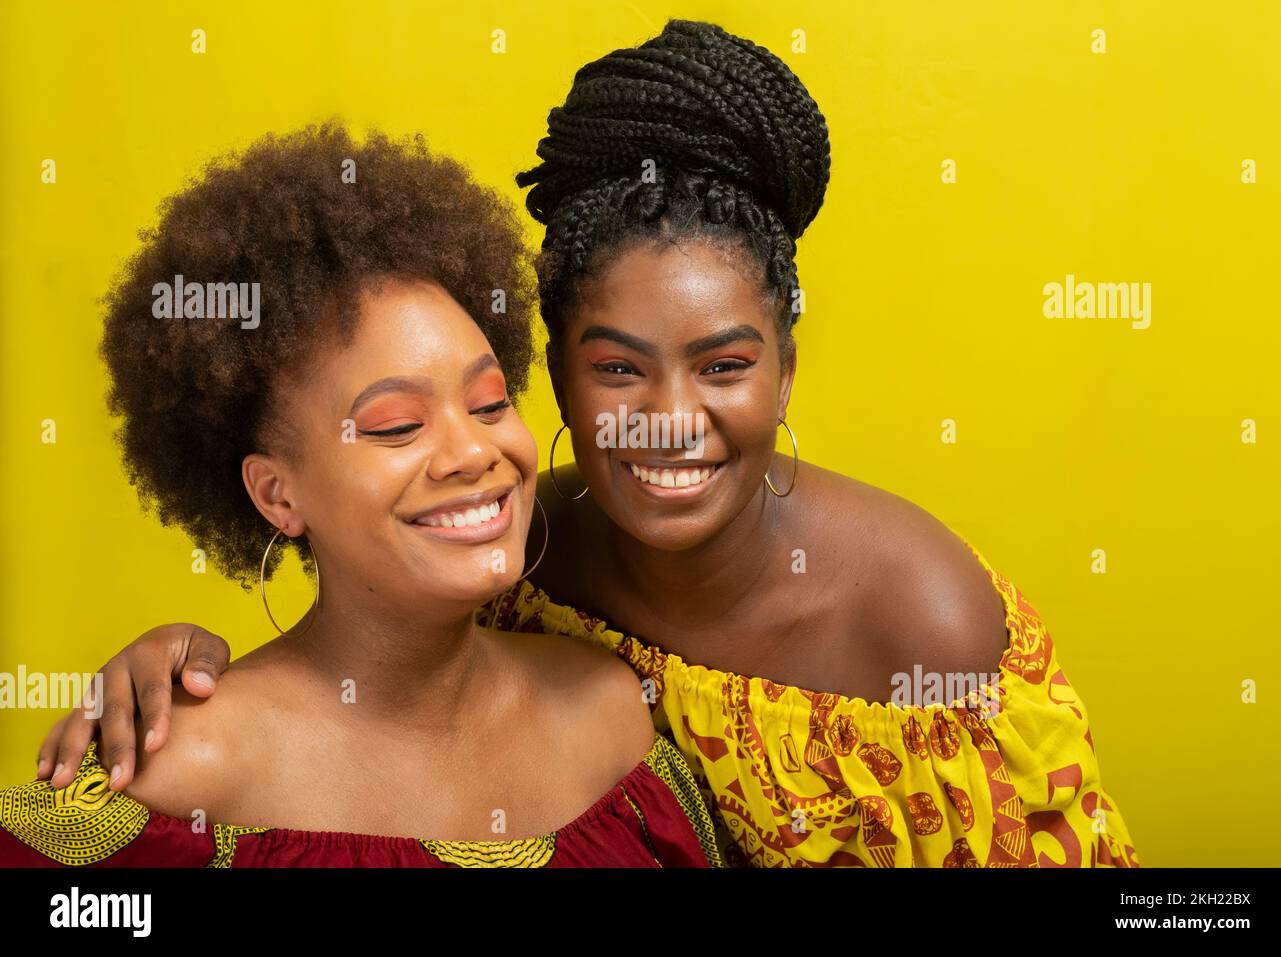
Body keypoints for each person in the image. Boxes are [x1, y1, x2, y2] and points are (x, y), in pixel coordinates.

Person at [34, 21, 1138, 868]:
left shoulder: (897, 630)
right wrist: (179, 659)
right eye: (616, 368)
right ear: (555, 373)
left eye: (725, 364)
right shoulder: (524, 556)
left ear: (787, 370)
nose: (667, 415)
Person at [0, 124, 721, 868]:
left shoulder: (611, 719)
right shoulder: (181, 773)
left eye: (489, 403)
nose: (475, 452)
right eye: (397, 424)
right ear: (278, 495)